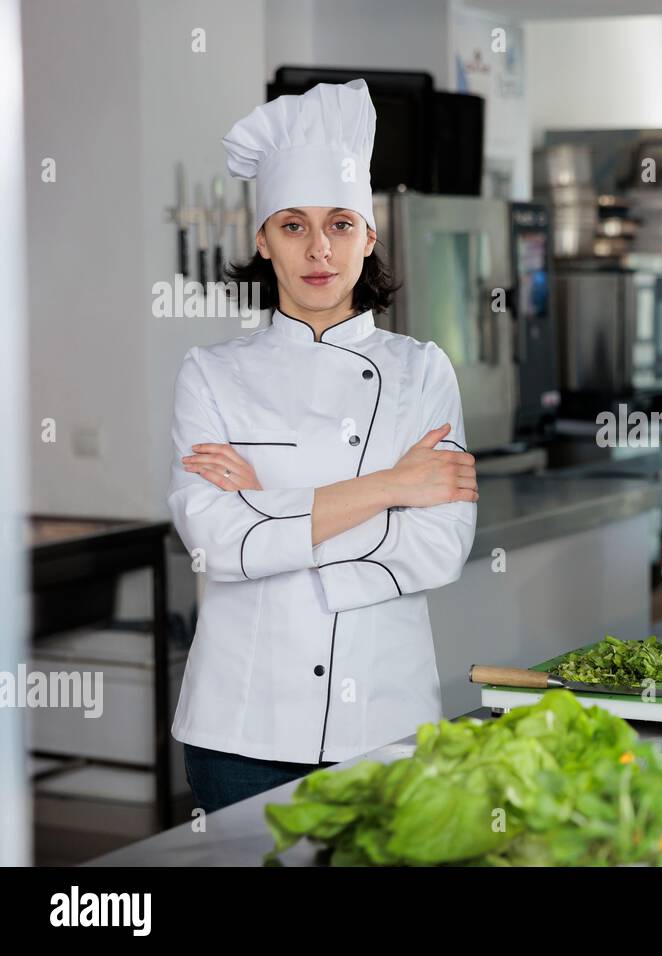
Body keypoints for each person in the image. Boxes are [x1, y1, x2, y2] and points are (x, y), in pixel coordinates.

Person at [167, 80, 478, 812]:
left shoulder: (421, 369)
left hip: (385, 721)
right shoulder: (210, 374)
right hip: (239, 727)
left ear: (369, 237)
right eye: (293, 225)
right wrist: (389, 488)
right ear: (262, 239)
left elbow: (438, 548)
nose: (318, 249)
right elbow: (215, 546)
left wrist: (264, 507)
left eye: (340, 224)